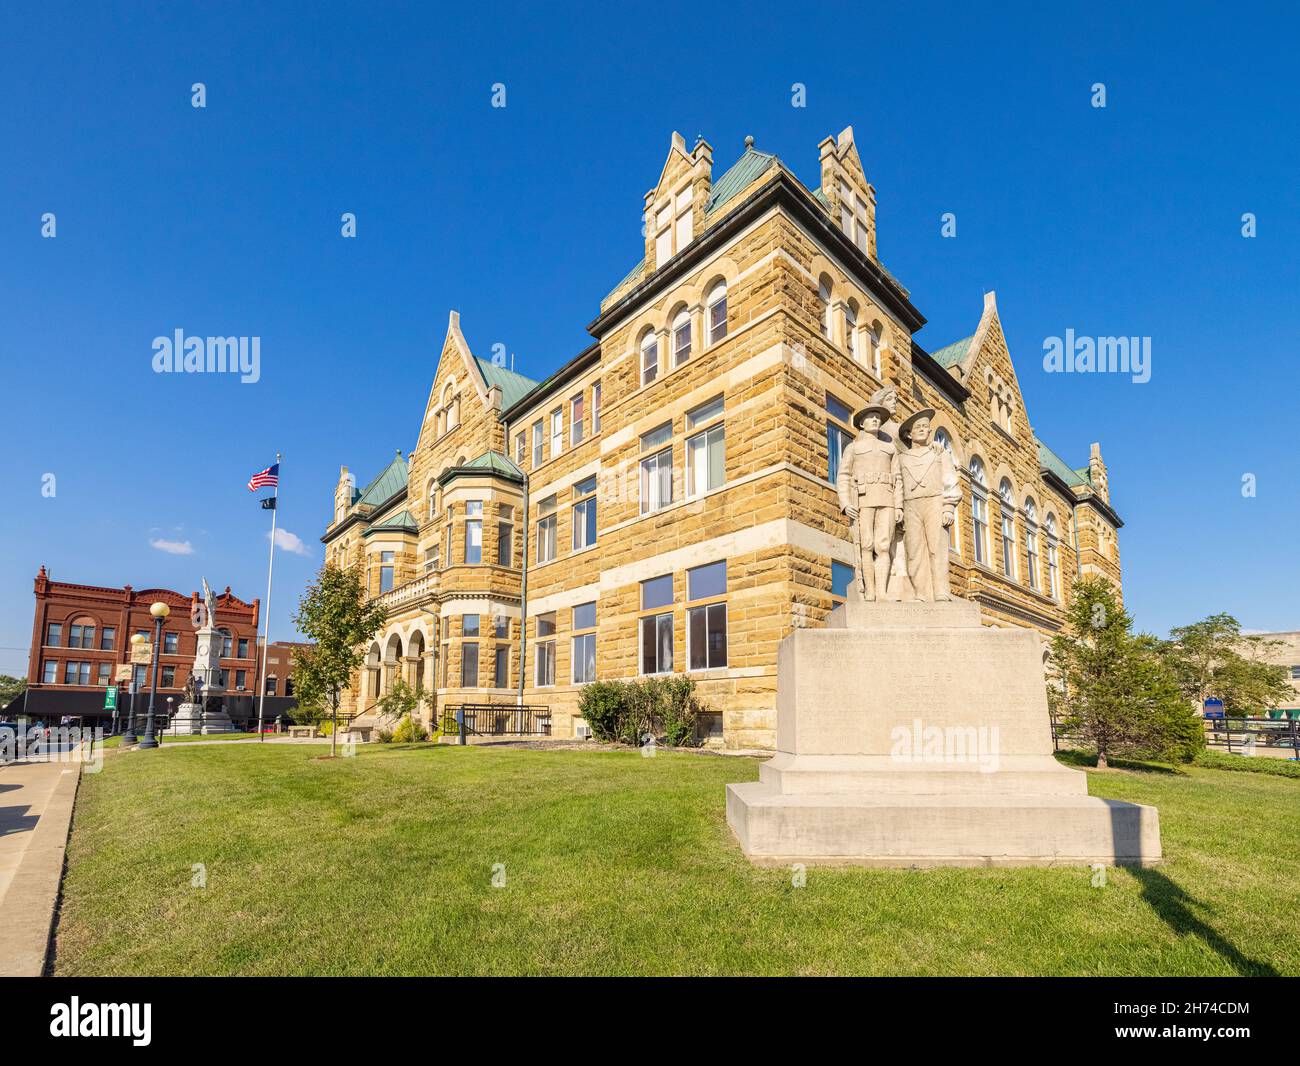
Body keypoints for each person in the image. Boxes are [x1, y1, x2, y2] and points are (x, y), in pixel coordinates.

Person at [835, 403, 902, 600]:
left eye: (877, 417)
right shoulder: (853, 448)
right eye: (870, 417)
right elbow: (844, 476)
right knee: (866, 545)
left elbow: (897, 478)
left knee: (883, 546)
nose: (875, 420)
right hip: (863, 500)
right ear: (862, 424)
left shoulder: (889, 448)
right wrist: (846, 503)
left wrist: (898, 505)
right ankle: (870, 590)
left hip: (886, 499)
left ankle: (881, 591)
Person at [896, 408, 961, 601]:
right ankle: (921, 593)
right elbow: (897, 483)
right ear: (909, 433)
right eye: (919, 427)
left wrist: (948, 507)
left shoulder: (940, 454)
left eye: (926, 427)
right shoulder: (900, 458)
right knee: (914, 551)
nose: (924, 430)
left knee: (937, 548)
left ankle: (941, 591)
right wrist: (898, 508)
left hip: (934, 502)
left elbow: (950, 480)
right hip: (910, 505)